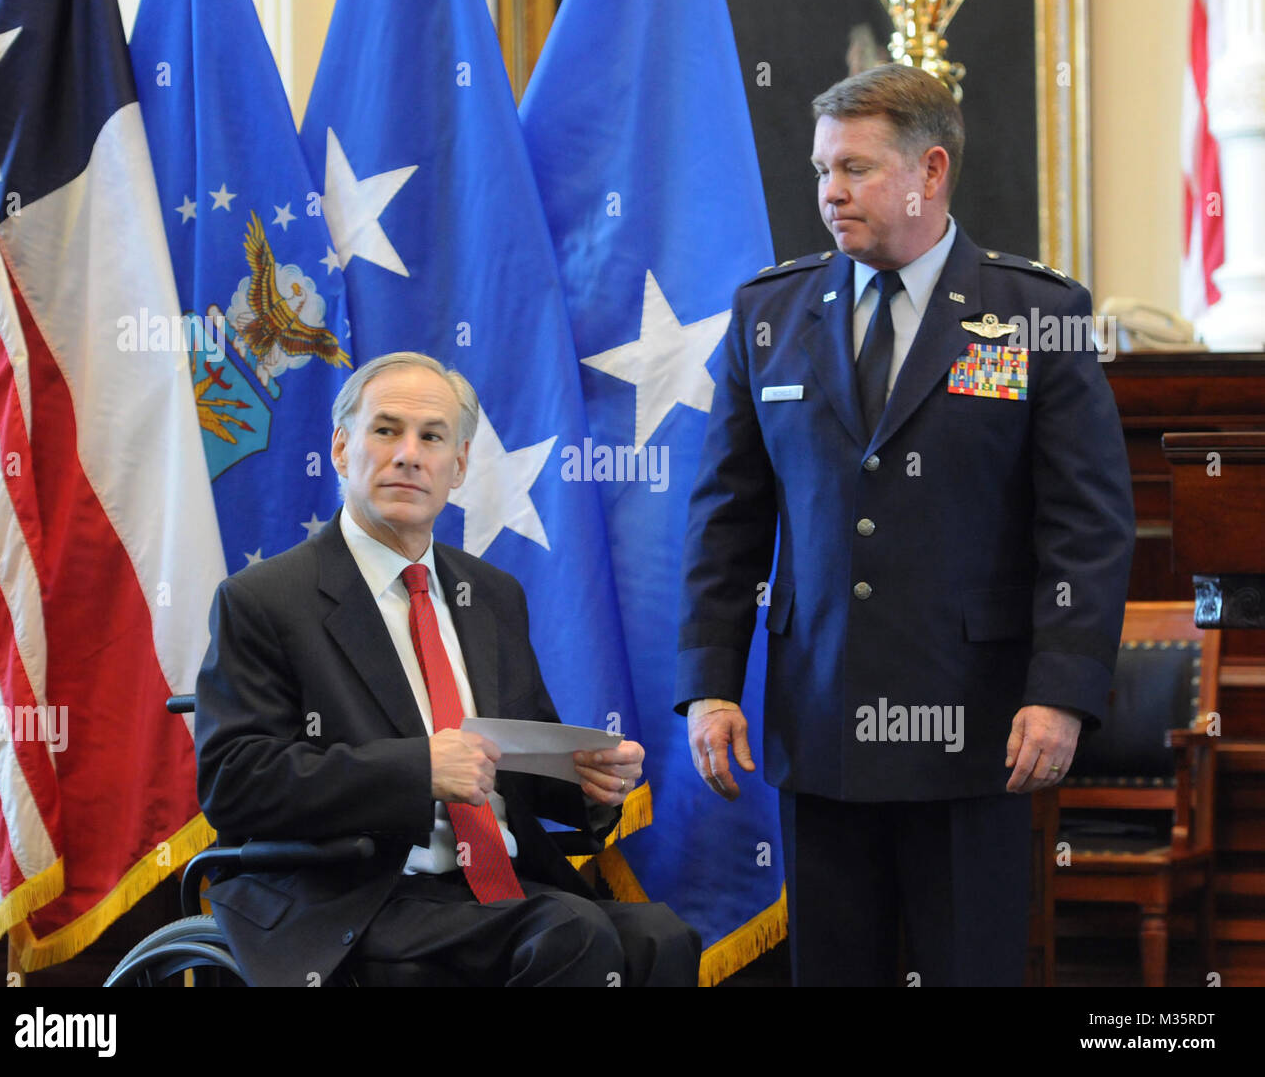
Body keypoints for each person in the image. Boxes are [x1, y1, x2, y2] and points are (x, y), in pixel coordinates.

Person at [677, 64, 1135, 986]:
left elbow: (1087, 523)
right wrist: (710, 684)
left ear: (930, 170)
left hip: (977, 729)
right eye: (820, 171)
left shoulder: (1037, 315)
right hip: (820, 717)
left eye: (853, 169)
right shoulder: (770, 314)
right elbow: (727, 517)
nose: (828, 193)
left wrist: (1061, 691)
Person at [195, 351, 699, 987]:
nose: (409, 454)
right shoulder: (264, 599)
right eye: (386, 430)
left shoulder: (491, 595)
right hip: (360, 896)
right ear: (342, 448)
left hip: (503, 891)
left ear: (457, 466)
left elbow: (516, 762)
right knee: (572, 932)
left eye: (432, 437)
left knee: (663, 938)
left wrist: (585, 782)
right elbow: (234, 784)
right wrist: (418, 770)